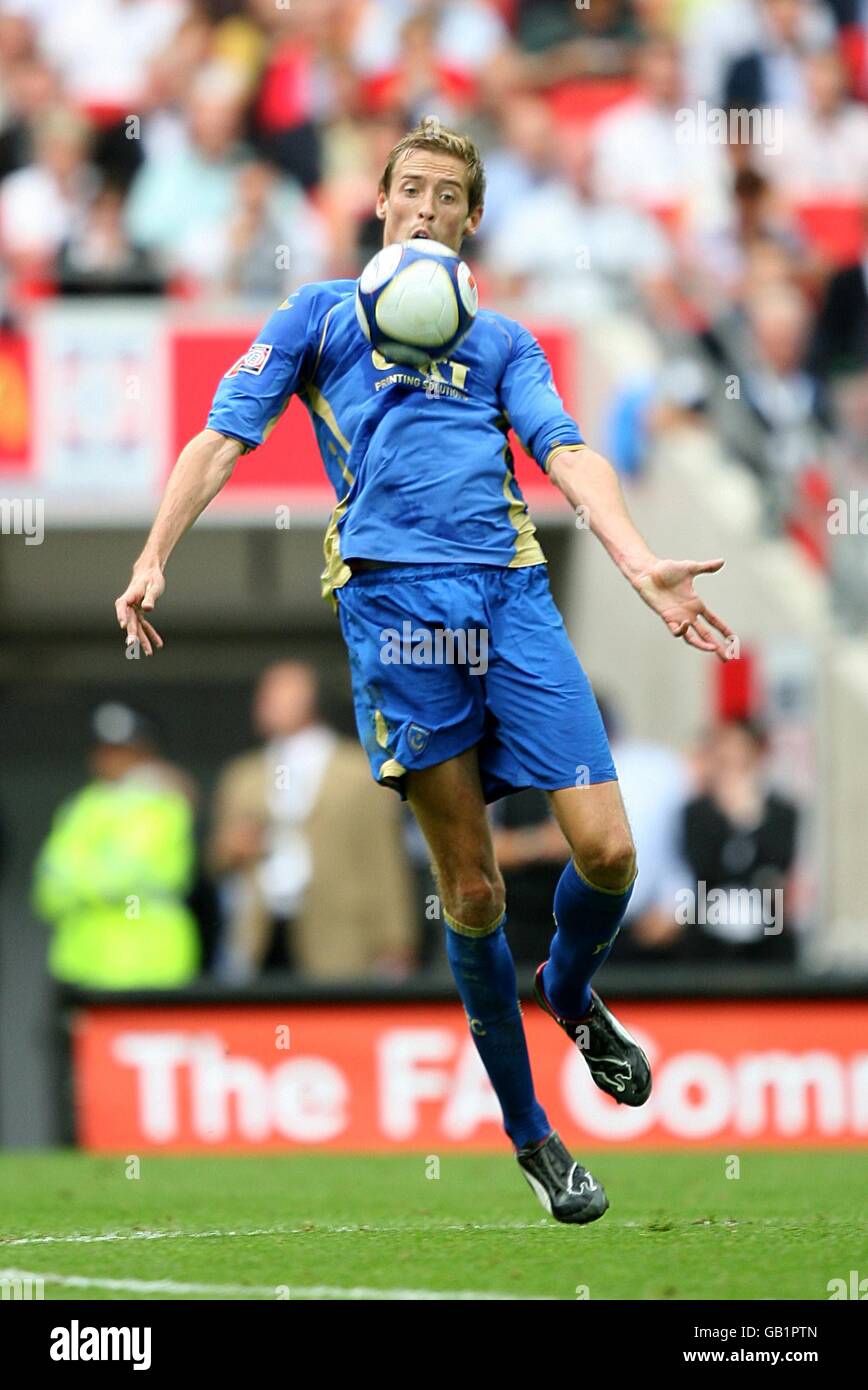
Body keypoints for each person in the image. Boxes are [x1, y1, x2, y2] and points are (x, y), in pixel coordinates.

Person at [115, 118, 734, 1226]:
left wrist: (638, 562)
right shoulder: (319, 317)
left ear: (471, 218)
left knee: (609, 849)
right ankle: (536, 1140)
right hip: (395, 615)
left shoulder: (499, 342)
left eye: (447, 195)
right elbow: (220, 436)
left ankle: (571, 990)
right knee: (477, 888)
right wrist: (156, 551)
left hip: (508, 594)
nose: (425, 208)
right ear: (381, 202)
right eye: (409, 190)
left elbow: (566, 450)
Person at [208, 661, 416, 980]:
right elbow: (217, 859)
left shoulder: (358, 772)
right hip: (259, 935)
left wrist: (395, 938)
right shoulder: (244, 775)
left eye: (279, 692)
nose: (265, 703)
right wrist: (233, 847)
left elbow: (384, 859)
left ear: (312, 698)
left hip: (339, 934)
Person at [32, 702, 199, 989]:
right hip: (81, 967)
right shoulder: (79, 806)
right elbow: (47, 889)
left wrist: (80, 875)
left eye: (123, 750)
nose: (110, 758)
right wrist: (96, 873)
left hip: (150, 964)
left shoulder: (164, 802)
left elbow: (125, 876)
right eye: (104, 748)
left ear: (145, 752)